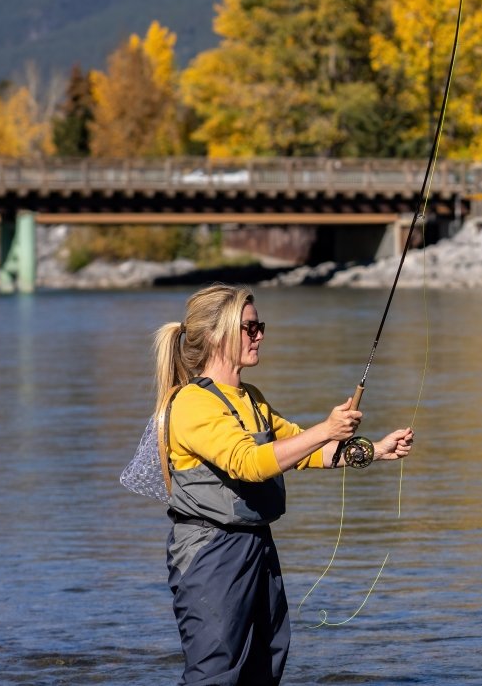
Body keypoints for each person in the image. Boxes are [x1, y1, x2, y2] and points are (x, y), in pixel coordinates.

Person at [150, 283, 413, 686]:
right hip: (210, 553)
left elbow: (302, 450)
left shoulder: (250, 398)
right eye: (250, 327)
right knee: (215, 675)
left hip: (256, 545)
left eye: (260, 326)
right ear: (219, 334)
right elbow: (249, 463)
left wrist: (375, 450)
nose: (260, 335)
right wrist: (325, 429)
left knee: (266, 665)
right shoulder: (192, 403)